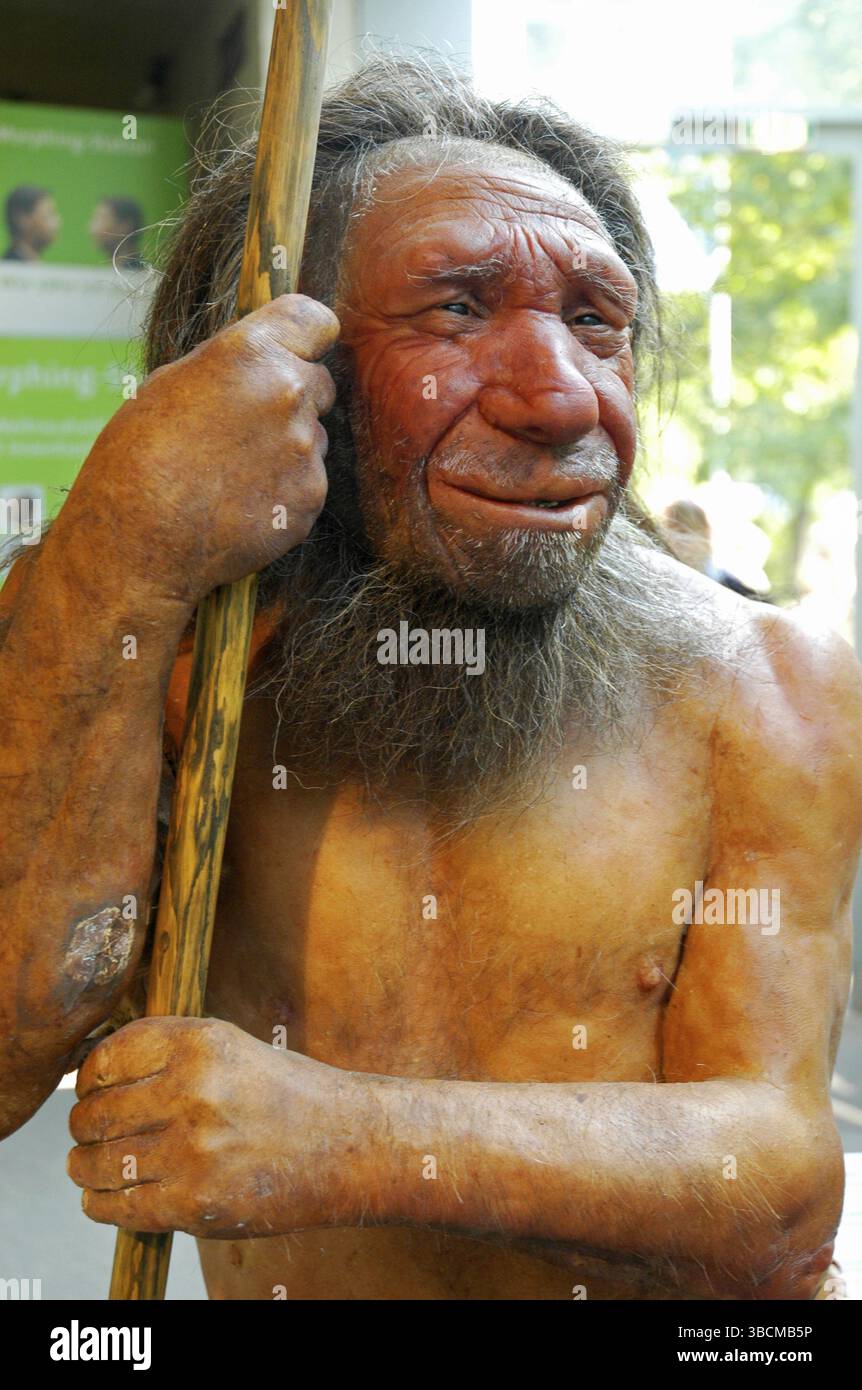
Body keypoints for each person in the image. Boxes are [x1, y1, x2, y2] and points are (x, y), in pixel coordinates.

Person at [1, 56, 860, 1301]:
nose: (563, 395)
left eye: (595, 319)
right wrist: (119, 548)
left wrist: (342, 1139)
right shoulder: (166, 643)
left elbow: (778, 1190)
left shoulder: (764, 682)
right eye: (456, 310)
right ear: (290, 375)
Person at [662, 498, 763, 599]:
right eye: (670, 531)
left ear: (704, 534)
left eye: (683, 531)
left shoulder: (733, 588)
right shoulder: (663, 577)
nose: (677, 540)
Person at [2, 185, 61, 261]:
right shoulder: (10, 269)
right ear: (23, 219)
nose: (58, 221)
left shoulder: (28, 265)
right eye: (49, 214)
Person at [89, 196, 146, 269]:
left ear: (125, 225)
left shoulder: (137, 275)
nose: (93, 228)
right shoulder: (116, 270)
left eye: (103, 218)